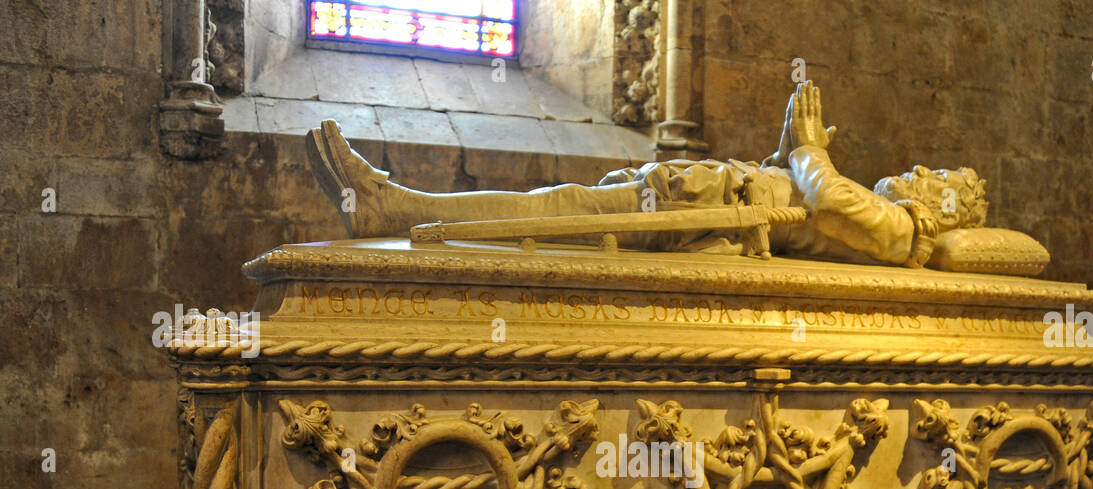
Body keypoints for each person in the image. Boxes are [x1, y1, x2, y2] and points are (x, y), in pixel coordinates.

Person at [307, 82, 986, 268]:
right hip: (697, 195)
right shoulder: (859, 192)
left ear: (944, 208)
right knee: (555, 205)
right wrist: (788, 152)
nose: (920, 169)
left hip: (697, 220)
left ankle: (394, 207)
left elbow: (832, 210)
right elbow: (810, 201)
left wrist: (810, 151)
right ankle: (398, 206)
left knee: (551, 212)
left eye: (936, 176)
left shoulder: (906, 235)